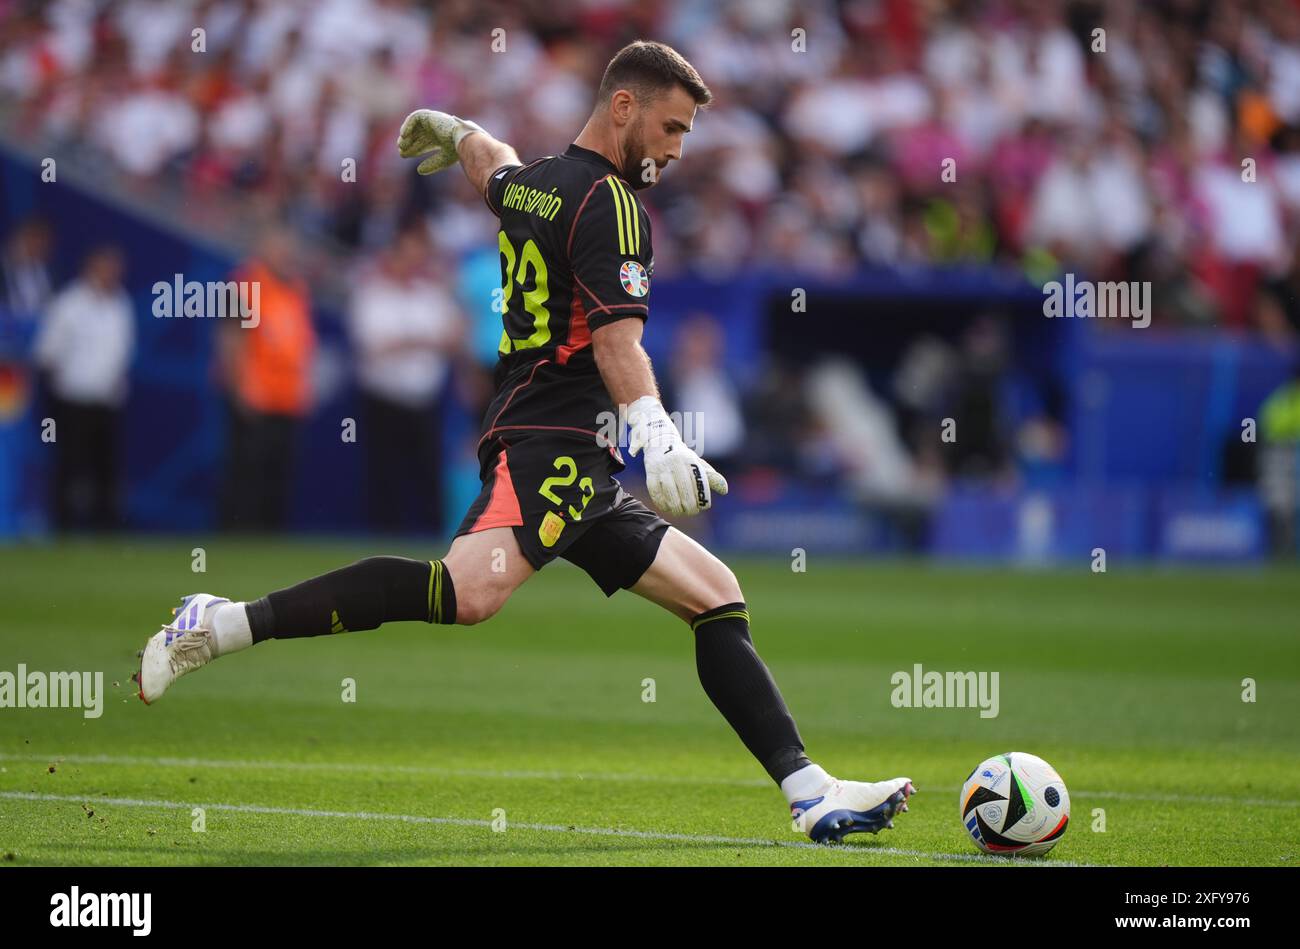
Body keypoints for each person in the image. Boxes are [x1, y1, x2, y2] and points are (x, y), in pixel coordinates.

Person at [134, 41, 914, 844]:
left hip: (567, 447)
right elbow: (617, 344)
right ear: (624, 108)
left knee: (714, 594)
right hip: (549, 443)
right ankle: (222, 623)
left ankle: (809, 790)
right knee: (466, 595)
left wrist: (459, 128)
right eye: (673, 127)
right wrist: (659, 436)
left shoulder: (534, 184)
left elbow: (489, 165)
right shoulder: (612, 205)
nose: (679, 150)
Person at [348, 225, 464, 534]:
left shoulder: (431, 294)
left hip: (424, 400)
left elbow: (453, 337)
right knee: (384, 474)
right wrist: (419, 340)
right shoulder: (373, 291)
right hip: (383, 399)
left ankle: (430, 541)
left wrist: (408, 341)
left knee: (427, 474)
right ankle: (381, 538)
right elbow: (372, 345)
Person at [216, 227, 316, 531]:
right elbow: (231, 338)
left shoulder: (296, 288)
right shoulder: (243, 285)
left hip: (286, 398)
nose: (286, 253)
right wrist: (239, 386)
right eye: (278, 246)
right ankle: (237, 538)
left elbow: (301, 341)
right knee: (247, 474)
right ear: (262, 247)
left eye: (288, 246)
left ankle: (270, 540)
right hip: (254, 395)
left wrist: (304, 386)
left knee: (278, 475)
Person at [34, 245, 134, 531]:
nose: (113, 273)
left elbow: (123, 351)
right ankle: (62, 528)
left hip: (107, 401)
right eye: (107, 267)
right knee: (69, 467)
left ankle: (105, 531)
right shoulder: (69, 304)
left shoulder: (121, 303)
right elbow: (48, 353)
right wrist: (58, 394)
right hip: (72, 401)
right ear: (91, 267)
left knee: (106, 470)